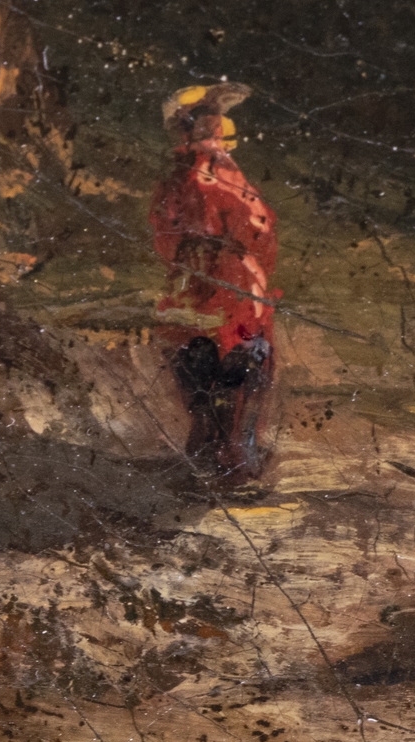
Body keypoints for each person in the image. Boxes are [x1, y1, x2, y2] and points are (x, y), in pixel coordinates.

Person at [150, 82, 280, 481]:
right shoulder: (221, 176)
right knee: (239, 368)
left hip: (194, 285)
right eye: (211, 122)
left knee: (202, 368)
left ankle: (212, 451)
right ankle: (231, 459)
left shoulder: (177, 178)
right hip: (230, 289)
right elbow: (260, 232)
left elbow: (163, 234)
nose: (216, 130)